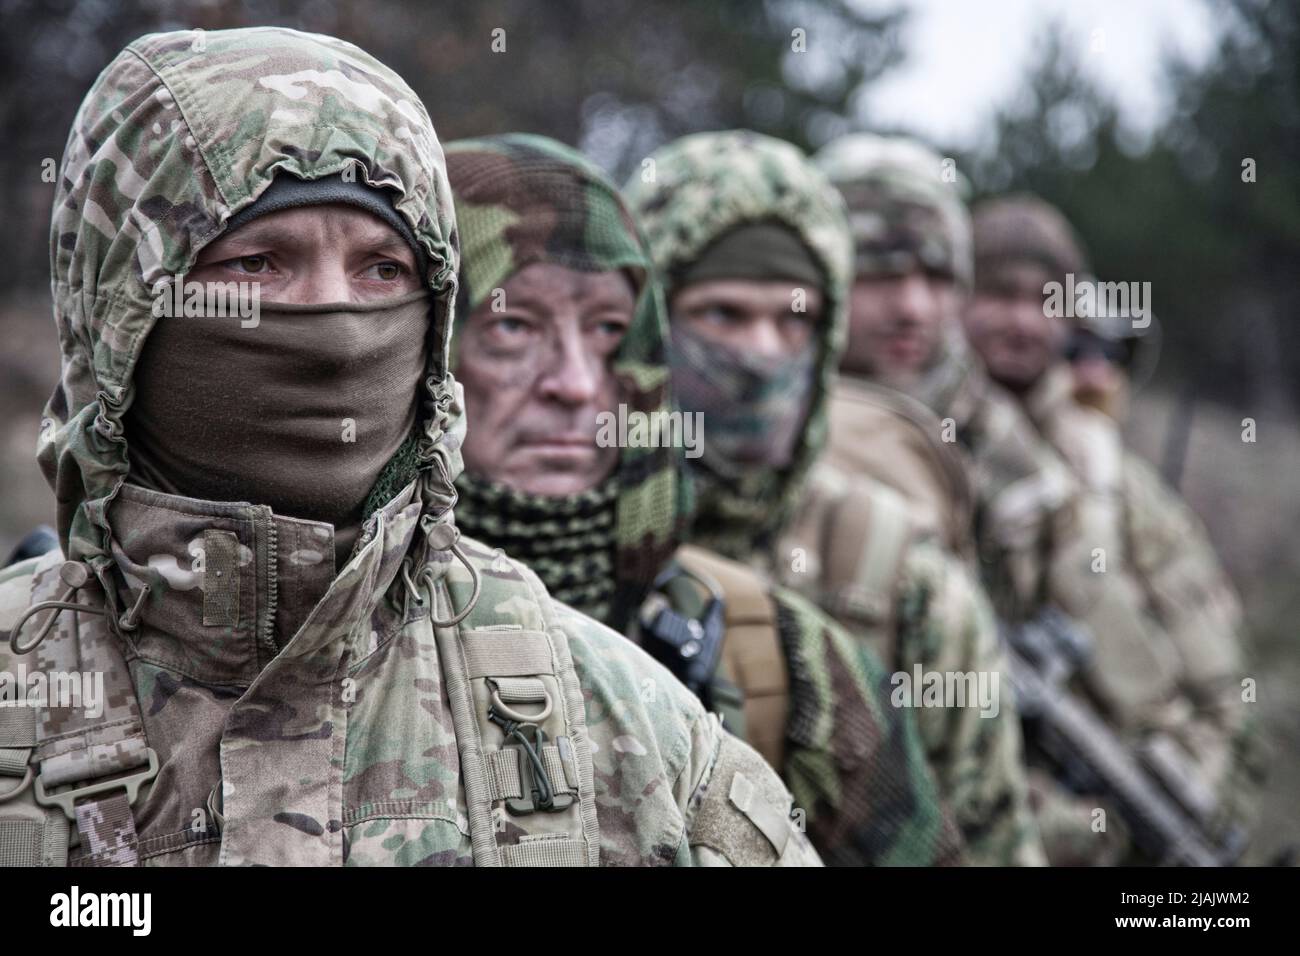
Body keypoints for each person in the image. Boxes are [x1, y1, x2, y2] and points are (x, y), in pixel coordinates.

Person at [0, 27, 819, 868]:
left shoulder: (623, 725)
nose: (334, 326)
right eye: (257, 263)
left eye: (382, 269)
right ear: (122, 312)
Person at [443, 132, 963, 866]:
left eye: (609, 332)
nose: (578, 384)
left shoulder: (787, 658)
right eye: (513, 326)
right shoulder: (306, 638)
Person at [625, 130, 1045, 865]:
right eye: (723, 314)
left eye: (793, 320)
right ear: (646, 324)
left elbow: (992, 843)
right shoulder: (557, 541)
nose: (761, 353)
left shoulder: (902, 573)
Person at [964, 195, 1263, 862]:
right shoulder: (922, 450)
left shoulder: (1117, 487)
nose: (1019, 319)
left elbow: (1220, 693)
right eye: (996, 294)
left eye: (1044, 299)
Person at [812, 135, 1076, 626]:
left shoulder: (996, 437)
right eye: (879, 275)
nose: (913, 308)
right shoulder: (767, 424)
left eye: (937, 278)